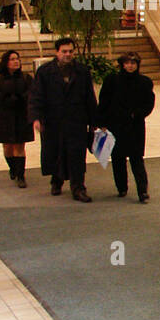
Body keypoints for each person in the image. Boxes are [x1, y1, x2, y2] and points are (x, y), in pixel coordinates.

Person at [29, 37, 98, 202]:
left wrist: (95, 121)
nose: (68, 55)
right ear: (56, 52)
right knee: (55, 152)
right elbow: (36, 96)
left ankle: (78, 187)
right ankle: (56, 180)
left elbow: (89, 97)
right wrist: (36, 117)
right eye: (64, 51)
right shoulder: (45, 72)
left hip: (77, 120)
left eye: (71, 51)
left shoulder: (82, 71)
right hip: (53, 121)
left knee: (77, 155)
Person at [97, 51, 155, 202]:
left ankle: (142, 191)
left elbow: (149, 103)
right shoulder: (112, 80)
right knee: (117, 158)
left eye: (133, 63)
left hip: (135, 125)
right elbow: (103, 102)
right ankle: (121, 187)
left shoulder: (144, 82)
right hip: (115, 125)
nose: (130, 66)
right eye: (127, 63)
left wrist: (137, 114)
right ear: (122, 64)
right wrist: (101, 122)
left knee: (137, 159)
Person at [0, 50, 33, 187]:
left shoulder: (25, 77)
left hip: (21, 114)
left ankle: (20, 175)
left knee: (19, 145)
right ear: (6, 62)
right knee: (7, 145)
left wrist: (21, 98)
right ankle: (13, 168)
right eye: (12, 59)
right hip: (5, 115)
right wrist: (5, 99)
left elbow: (32, 91)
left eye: (17, 58)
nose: (16, 61)